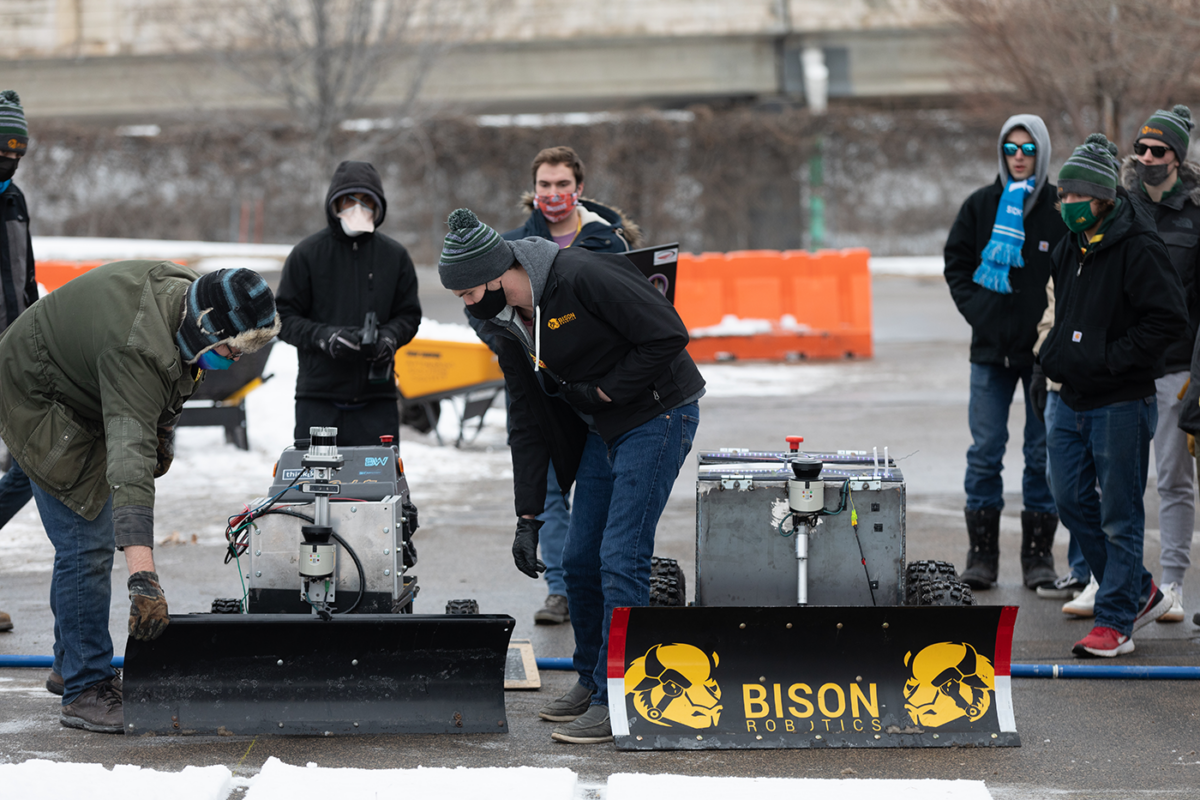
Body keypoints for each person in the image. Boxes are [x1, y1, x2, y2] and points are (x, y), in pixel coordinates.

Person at [438, 208, 703, 744]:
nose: (467, 305)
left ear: (494, 274)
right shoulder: (509, 326)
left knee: (620, 555)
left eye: (467, 293)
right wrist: (528, 515)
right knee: (580, 559)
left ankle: (619, 699)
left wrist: (607, 391)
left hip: (657, 414)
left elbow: (669, 334)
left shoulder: (582, 274)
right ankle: (590, 678)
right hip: (605, 430)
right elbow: (528, 424)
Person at [0, 262, 280, 731]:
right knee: (85, 535)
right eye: (227, 353)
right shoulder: (137, 348)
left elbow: (178, 373)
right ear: (206, 328)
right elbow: (128, 470)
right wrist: (143, 577)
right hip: (36, 390)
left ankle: (69, 660)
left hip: (81, 375)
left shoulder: (192, 298)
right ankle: (84, 687)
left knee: (42, 484)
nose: (229, 363)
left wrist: (163, 428)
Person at [1038, 133, 1184, 657]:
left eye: (1077, 198)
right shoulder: (1067, 248)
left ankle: (1117, 620)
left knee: (1120, 513)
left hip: (1121, 401)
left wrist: (1110, 358)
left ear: (1102, 199)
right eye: (1063, 197)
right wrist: (1048, 364)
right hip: (1069, 396)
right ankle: (1139, 589)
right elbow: (1062, 319)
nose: (1067, 205)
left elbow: (1168, 319)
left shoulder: (1139, 246)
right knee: (1070, 499)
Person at [499, 145, 643, 626]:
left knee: (608, 490)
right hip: (544, 387)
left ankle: (606, 578)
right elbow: (491, 315)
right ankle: (560, 588)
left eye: (563, 185)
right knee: (552, 489)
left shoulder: (607, 242)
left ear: (579, 189)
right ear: (533, 189)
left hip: (601, 392)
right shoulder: (511, 246)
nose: (554, 194)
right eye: (545, 185)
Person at [944, 114, 1067, 591]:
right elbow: (956, 264)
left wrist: (1056, 335)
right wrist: (983, 314)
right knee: (985, 452)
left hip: (1044, 355)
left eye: (1028, 149)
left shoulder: (1061, 207)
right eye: (1011, 148)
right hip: (991, 353)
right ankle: (983, 556)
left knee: (1042, 454)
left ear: (1042, 153)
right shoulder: (981, 206)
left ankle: (1038, 558)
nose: (1019, 157)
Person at [276, 160, 421, 447]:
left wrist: (390, 338)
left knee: (377, 487)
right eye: (349, 200)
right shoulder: (307, 254)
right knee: (317, 489)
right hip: (318, 398)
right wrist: (323, 337)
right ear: (334, 204)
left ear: (379, 207)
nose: (358, 208)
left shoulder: (394, 256)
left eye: (366, 201)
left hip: (377, 398)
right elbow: (283, 318)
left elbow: (409, 314)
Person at [1121, 105, 1199, 625]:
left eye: (1159, 151)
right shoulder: (1122, 207)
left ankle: (1172, 581)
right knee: (1119, 480)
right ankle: (1119, 581)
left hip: (1176, 367)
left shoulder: (1196, 212)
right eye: (1142, 148)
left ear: (1178, 157)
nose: (1147, 158)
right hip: (1124, 366)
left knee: (1173, 478)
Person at [0, 90, 40, 635]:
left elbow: (26, 280)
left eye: (17, 151)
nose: (9, 159)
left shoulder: (15, 201)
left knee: (33, 464)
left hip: (15, 353)